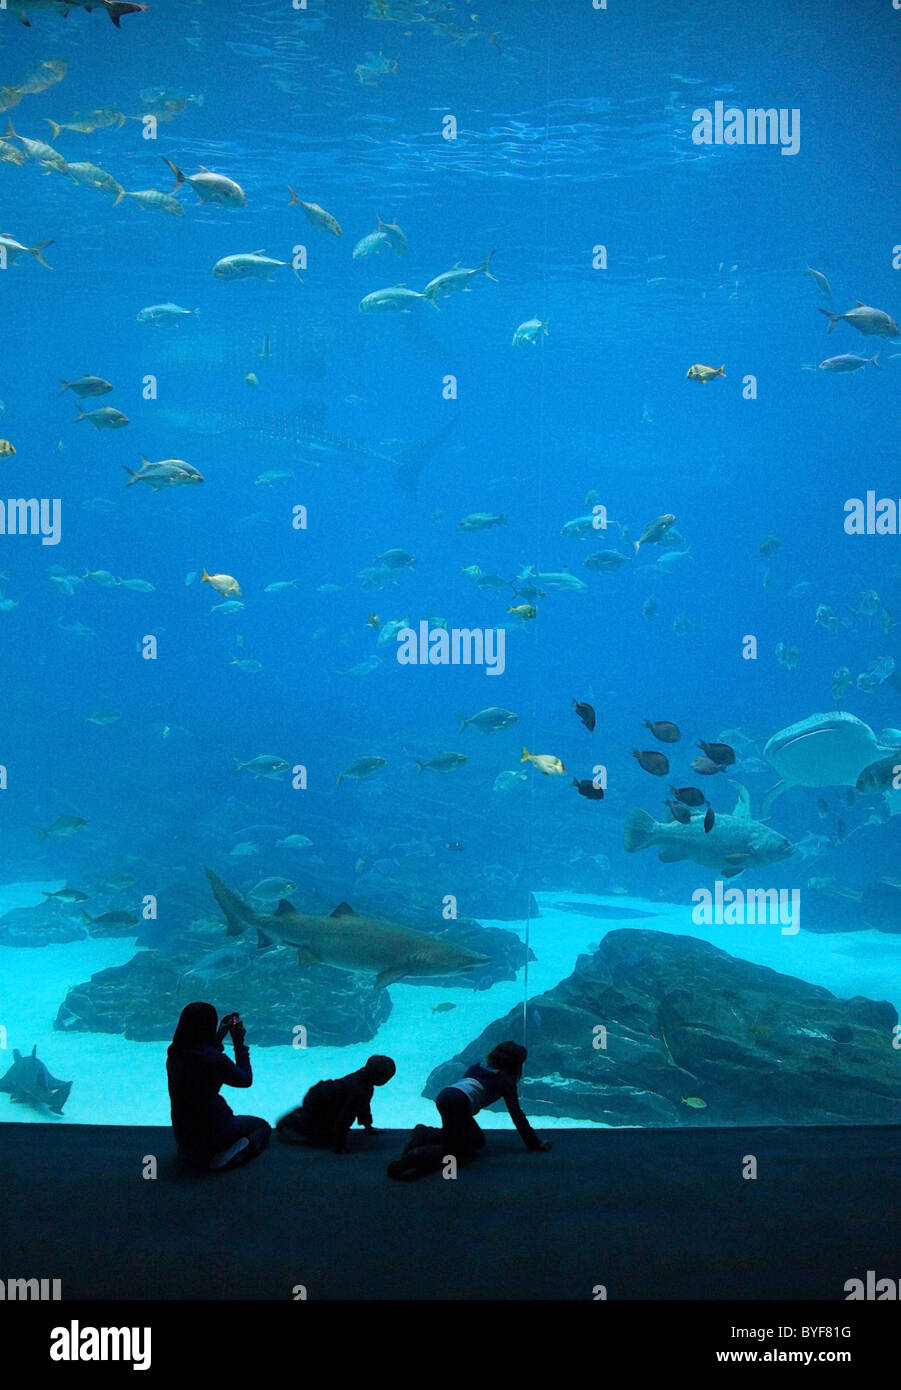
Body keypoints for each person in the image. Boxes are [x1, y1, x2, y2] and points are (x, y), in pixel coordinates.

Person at [387, 1040, 550, 1180]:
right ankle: (412, 1159)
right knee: (455, 1150)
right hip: (458, 1103)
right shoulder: (505, 1080)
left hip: (447, 1095)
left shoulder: (478, 1066)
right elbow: (516, 1113)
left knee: (477, 1141)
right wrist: (534, 1143)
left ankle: (424, 1133)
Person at [167, 1002, 270, 1171]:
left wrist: (220, 1034)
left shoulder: (175, 1052)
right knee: (262, 1127)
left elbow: (199, 1049)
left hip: (183, 1135)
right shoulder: (214, 1060)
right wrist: (239, 1045)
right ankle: (229, 1155)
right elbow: (245, 1080)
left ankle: (192, 1153)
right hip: (215, 1131)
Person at [276, 1055, 396, 1153]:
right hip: (320, 1102)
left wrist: (368, 1125)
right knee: (325, 1140)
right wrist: (340, 1145)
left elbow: (364, 1106)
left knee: (327, 1123)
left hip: (323, 1095)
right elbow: (345, 1119)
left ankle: (304, 1116)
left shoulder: (363, 1079)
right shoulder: (359, 1091)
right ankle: (297, 1120)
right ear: (379, 1078)